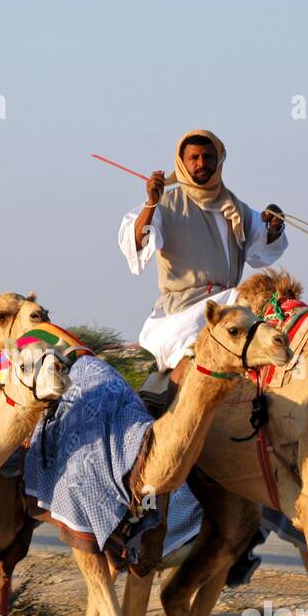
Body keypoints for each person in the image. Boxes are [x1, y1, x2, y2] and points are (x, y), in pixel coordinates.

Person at [117, 129, 288, 407]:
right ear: (182, 162)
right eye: (194, 157)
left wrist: (273, 226)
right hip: (184, 311)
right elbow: (137, 243)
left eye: (208, 157)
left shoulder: (235, 207)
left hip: (232, 305)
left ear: (219, 160)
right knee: (191, 360)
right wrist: (151, 202)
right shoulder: (166, 205)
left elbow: (263, 248)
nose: (201, 163)